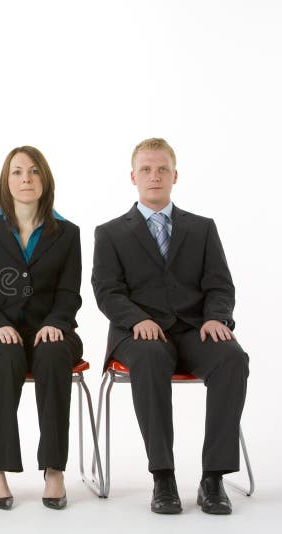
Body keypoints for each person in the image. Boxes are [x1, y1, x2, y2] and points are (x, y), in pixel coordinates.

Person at [91, 138, 249, 515]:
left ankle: (213, 477)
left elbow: (220, 284)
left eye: (162, 169)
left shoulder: (202, 228)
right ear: (133, 177)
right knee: (149, 357)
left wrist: (216, 317)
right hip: (139, 333)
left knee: (232, 358)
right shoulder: (111, 233)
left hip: (195, 330)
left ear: (175, 175)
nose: (154, 176)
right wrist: (138, 320)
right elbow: (107, 291)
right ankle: (163, 476)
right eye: (146, 169)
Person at [0, 146, 82, 510]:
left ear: (45, 179)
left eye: (33, 171)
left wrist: (55, 323)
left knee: (51, 354)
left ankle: (54, 468)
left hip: (52, 331)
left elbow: (69, 293)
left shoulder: (67, 232)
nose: (26, 179)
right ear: (6, 180)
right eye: (17, 172)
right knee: (7, 354)